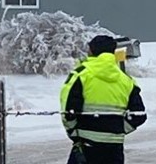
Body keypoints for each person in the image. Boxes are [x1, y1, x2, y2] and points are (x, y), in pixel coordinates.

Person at [60, 34, 146, 163]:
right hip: (114, 149)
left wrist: (74, 133)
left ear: (92, 51)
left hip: (86, 145)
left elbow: (68, 110)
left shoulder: (81, 74)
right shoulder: (127, 80)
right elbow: (139, 115)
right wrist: (119, 130)